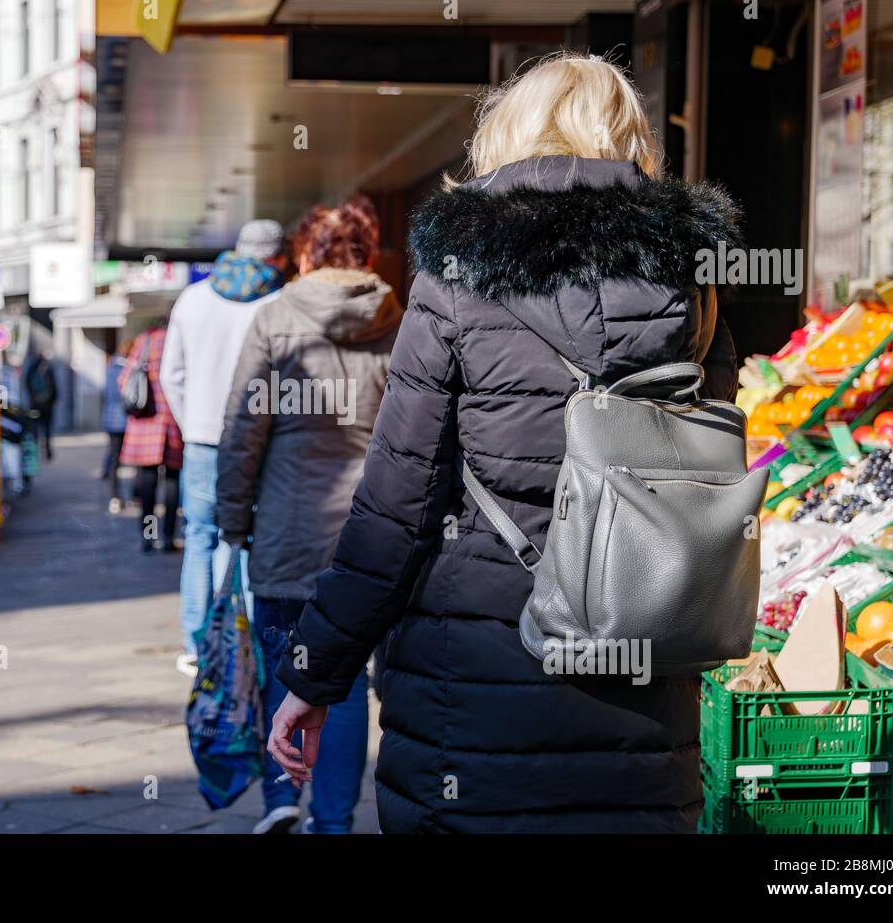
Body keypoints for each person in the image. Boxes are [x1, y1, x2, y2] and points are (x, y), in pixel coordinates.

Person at [265, 54, 741, 833]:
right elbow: (703, 470)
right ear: (630, 136)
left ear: (508, 132)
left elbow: (395, 507)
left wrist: (315, 672)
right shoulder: (695, 281)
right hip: (643, 668)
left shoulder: (455, 278)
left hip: (477, 679)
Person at [218, 195, 403, 835]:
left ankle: (280, 798)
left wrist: (233, 518)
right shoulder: (393, 317)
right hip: (370, 535)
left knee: (285, 664)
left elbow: (245, 428)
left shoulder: (275, 318)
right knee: (344, 680)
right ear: (366, 251)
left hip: (287, 531)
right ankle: (333, 820)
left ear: (305, 252)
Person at [160, 219, 287, 676]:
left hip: (202, 439)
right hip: (258, 440)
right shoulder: (278, 301)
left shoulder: (193, 299)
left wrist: (193, 417)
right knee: (246, 539)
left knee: (198, 537)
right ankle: (240, 635)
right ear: (277, 256)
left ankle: (198, 641)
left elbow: (170, 374)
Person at [118, 324, 183, 554]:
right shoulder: (178, 340)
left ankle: (149, 537)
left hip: (145, 423)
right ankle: (167, 537)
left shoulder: (144, 342)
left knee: (147, 485)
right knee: (172, 482)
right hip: (173, 419)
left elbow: (124, 380)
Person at [100, 340, 131, 515]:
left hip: (110, 419)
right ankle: (127, 495)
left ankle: (115, 496)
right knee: (124, 459)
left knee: (113, 457)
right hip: (125, 418)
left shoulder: (110, 368)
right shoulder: (126, 370)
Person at [24, 349, 59, 461]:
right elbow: (54, 386)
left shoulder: (32, 368)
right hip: (47, 405)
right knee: (47, 429)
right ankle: (47, 451)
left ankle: (35, 453)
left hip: (35, 405)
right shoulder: (48, 368)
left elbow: (27, 385)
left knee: (35, 430)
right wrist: (53, 400)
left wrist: (33, 399)